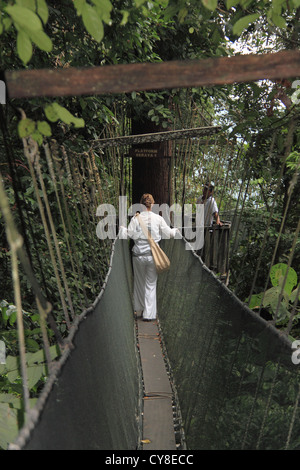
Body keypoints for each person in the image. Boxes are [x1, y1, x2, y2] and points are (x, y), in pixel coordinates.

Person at [121, 193, 178, 322]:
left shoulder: (136, 219)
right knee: (151, 284)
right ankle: (149, 314)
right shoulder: (158, 219)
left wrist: (122, 229)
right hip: (152, 256)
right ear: (152, 204)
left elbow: (128, 234)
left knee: (139, 282)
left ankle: (140, 309)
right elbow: (169, 234)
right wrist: (176, 231)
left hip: (138, 256)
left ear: (141, 205)